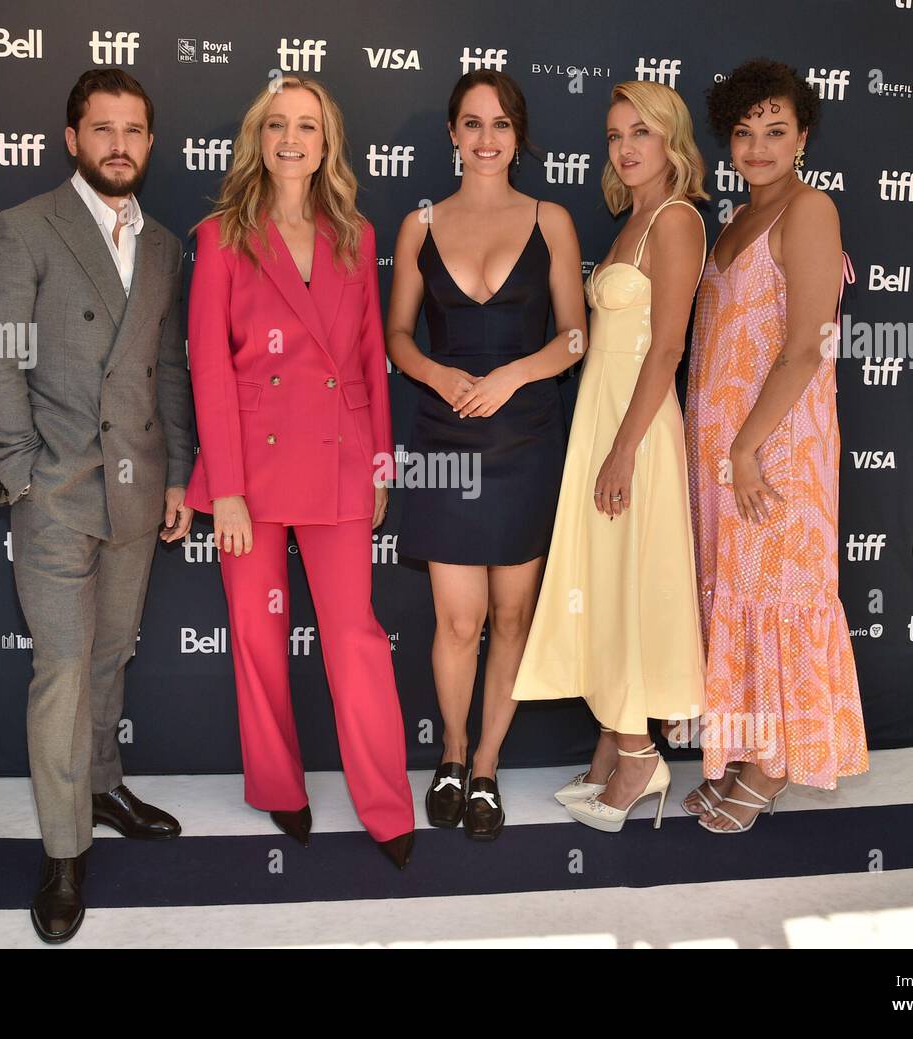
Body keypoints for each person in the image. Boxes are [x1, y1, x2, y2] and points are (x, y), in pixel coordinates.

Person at [0, 68, 194, 943]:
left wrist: (176, 472)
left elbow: (167, 368)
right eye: (103, 130)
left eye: (134, 130)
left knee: (108, 657)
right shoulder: (19, 229)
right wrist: (19, 471)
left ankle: (101, 785)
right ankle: (64, 850)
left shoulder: (167, 246)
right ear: (72, 139)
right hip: (55, 491)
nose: (120, 146)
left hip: (137, 489)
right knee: (62, 670)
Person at [183, 75, 415, 869]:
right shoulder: (220, 237)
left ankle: (387, 804)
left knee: (356, 635)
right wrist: (230, 491)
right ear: (258, 137)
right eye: (277, 124)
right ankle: (279, 786)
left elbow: (369, 365)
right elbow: (210, 371)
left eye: (307, 126)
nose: (291, 138)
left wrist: (379, 462)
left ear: (327, 142)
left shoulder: (355, 232)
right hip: (250, 468)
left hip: (341, 460)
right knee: (258, 632)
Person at [384, 70, 587, 840]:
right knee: (458, 619)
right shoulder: (419, 226)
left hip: (527, 435)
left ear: (519, 137)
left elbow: (576, 335)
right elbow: (398, 335)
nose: (486, 137)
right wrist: (437, 372)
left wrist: (515, 373)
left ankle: (487, 769)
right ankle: (451, 748)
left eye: (501, 124)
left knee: (512, 615)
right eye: (471, 123)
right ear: (452, 134)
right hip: (444, 439)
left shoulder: (553, 221)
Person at [512, 81, 708, 833]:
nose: (625, 148)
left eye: (642, 133)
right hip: (603, 417)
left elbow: (667, 348)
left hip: (639, 428)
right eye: (614, 134)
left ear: (671, 141)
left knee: (625, 581)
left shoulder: (678, 220)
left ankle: (639, 756)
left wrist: (624, 451)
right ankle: (610, 750)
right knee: (607, 582)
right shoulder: (629, 220)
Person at [682, 59, 868, 833]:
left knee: (777, 598)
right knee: (737, 596)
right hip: (721, 451)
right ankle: (743, 753)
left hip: (775, 449)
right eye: (744, 132)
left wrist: (749, 449)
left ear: (803, 135)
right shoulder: (731, 220)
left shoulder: (809, 210)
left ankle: (771, 766)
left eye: (775, 131)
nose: (757, 147)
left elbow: (806, 348)